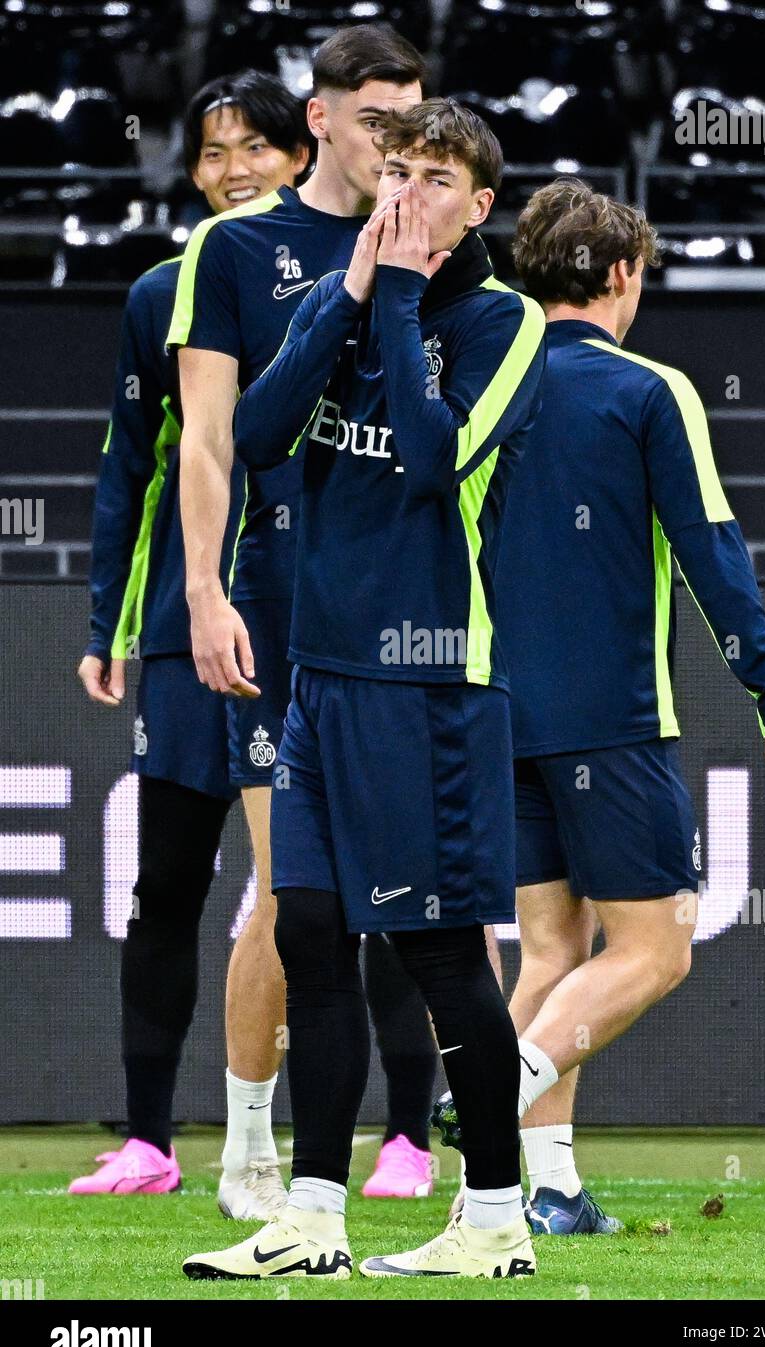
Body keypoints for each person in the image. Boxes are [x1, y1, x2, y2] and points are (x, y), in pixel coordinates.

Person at [181, 97, 546, 1282]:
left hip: (431, 679)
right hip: (321, 679)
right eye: (396, 170)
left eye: (436, 179)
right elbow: (263, 437)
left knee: (441, 957)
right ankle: (314, 1217)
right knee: (312, 936)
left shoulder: (506, 322)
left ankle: (495, 1218)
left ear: (479, 205)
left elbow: (438, 460)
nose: (407, 195)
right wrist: (347, 294)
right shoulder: (330, 297)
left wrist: (393, 295)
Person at [437, 177, 765, 1235]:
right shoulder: (650, 390)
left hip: (499, 706)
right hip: (612, 714)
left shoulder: (485, 388)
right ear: (620, 274)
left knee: (554, 951)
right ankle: (492, 1105)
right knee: (661, 948)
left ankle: (545, 1188)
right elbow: (712, 554)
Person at [168, 26, 451, 1209]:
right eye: (379, 118)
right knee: (291, 887)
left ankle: (415, 1144)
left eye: (414, 119)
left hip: (403, 611)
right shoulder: (236, 248)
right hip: (276, 606)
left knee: (412, 891)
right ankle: (245, 1145)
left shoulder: (438, 238)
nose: (400, 141)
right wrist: (202, 588)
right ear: (320, 117)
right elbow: (208, 435)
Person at [73, 71, 310, 1208]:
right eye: (213, 153)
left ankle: (402, 1134)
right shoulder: (160, 291)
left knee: (314, 886)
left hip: (315, 621)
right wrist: (105, 620)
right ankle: (152, 1139)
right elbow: (131, 466)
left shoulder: (349, 279)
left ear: (298, 157)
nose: (230, 171)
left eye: (251, 150)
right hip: (182, 625)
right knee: (167, 883)